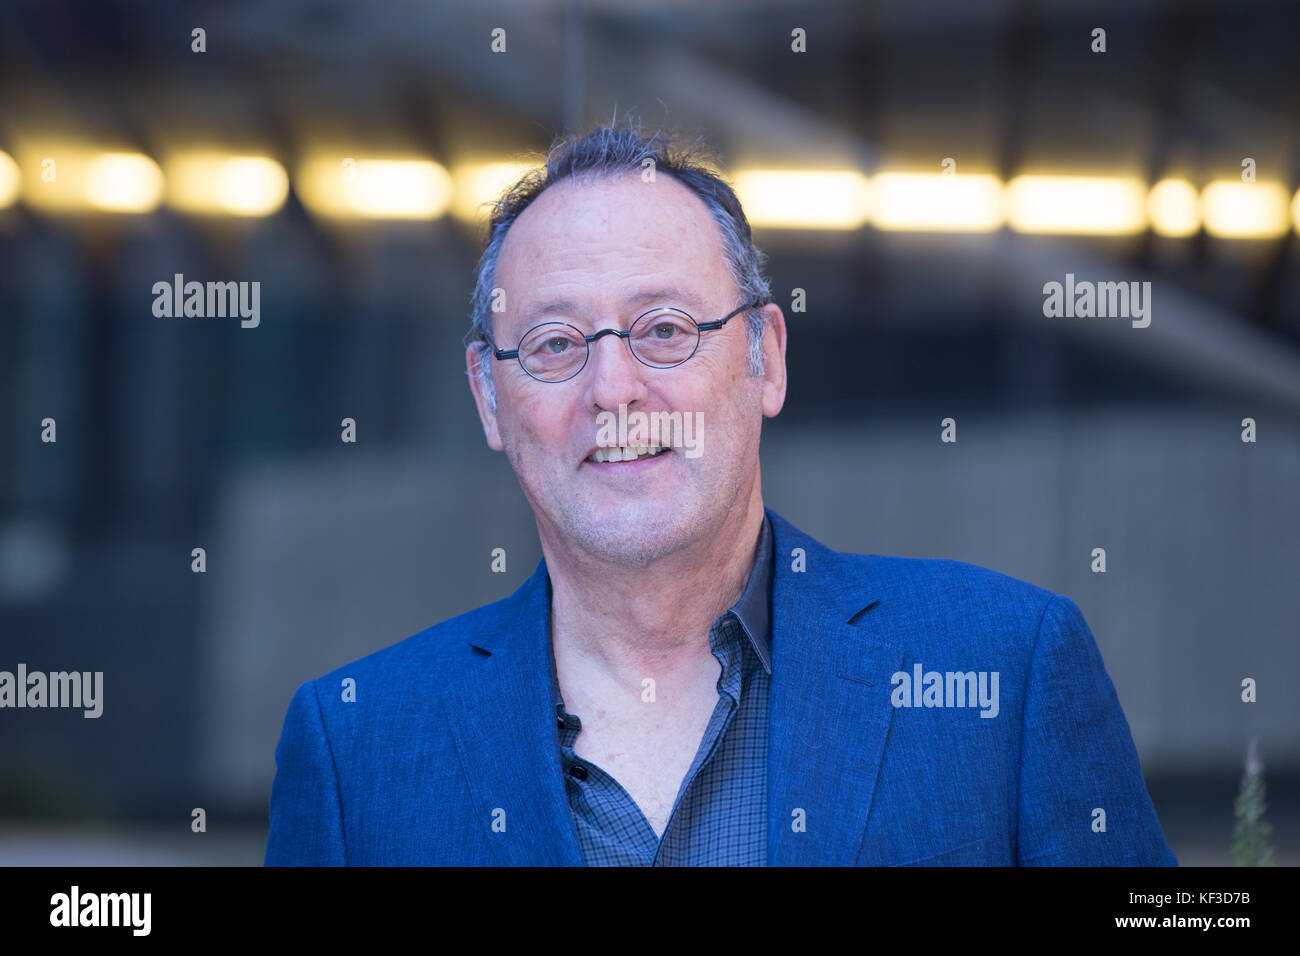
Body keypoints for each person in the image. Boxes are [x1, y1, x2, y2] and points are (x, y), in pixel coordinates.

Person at [265, 122, 1177, 866]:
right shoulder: (359, 751)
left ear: (766, 359)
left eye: (664, 329)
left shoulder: (1008, 673)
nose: (613, 390)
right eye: (553, 344)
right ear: (489, 398)